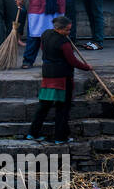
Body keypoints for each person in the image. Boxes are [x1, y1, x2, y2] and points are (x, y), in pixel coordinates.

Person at [27, 16, 92, 145]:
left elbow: (42, 48)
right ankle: (60, 137)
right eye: (67, 30)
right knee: (62, 108)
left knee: (44, 106)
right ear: (59, 29)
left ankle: (32, 133)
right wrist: (87, 67)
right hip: (62, 78)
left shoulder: (45, 34)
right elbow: (72, 61)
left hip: (47, 75)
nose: (69, 33)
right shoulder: (65, 44)